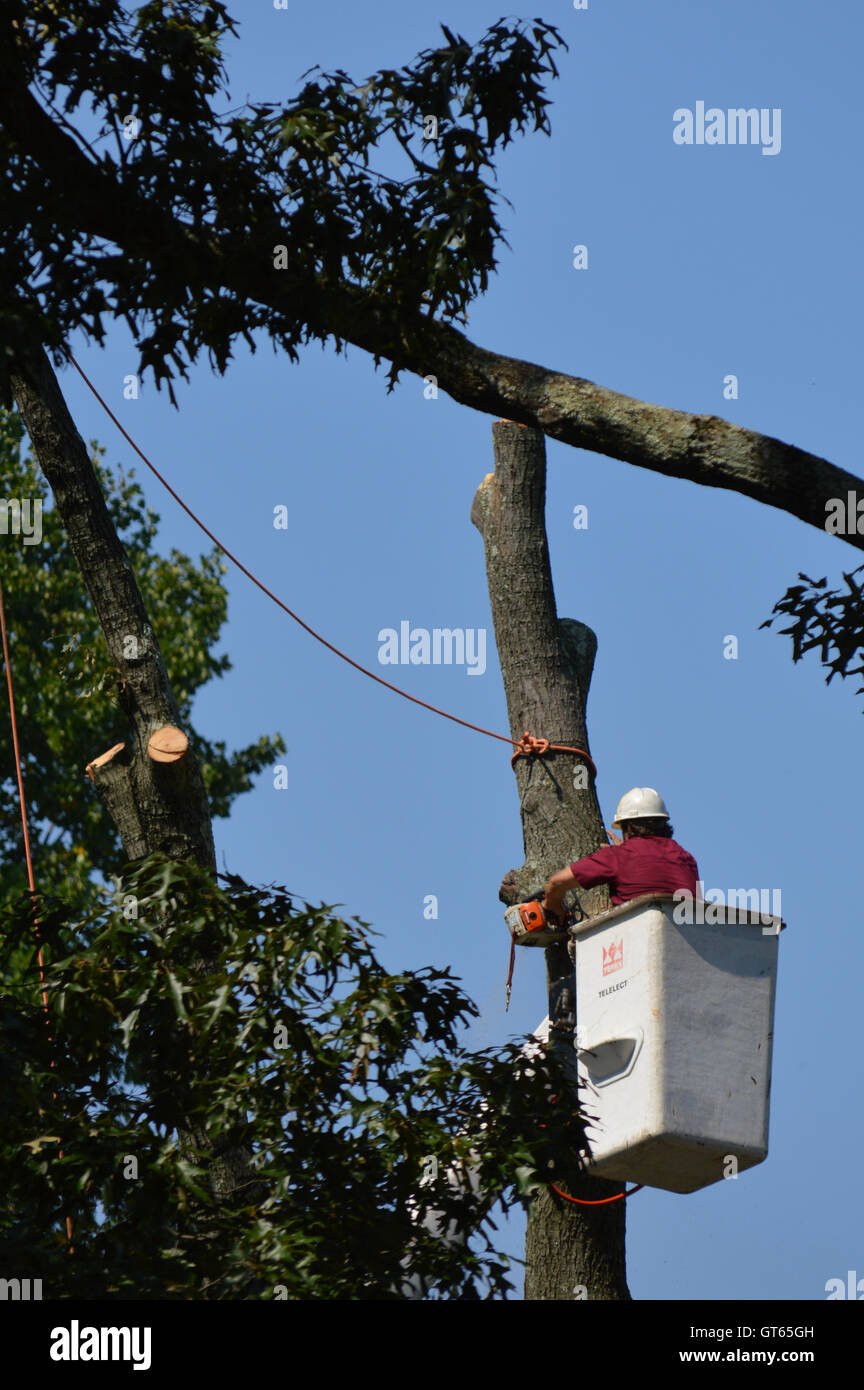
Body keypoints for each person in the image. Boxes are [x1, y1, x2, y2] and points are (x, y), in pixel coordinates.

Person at [542, 787, 699, 918]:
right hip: (686, 946)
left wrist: (552, 907)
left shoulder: (618, 857)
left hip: (637, 942)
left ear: (628, 828)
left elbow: (557, 882)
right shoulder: (687, 858)